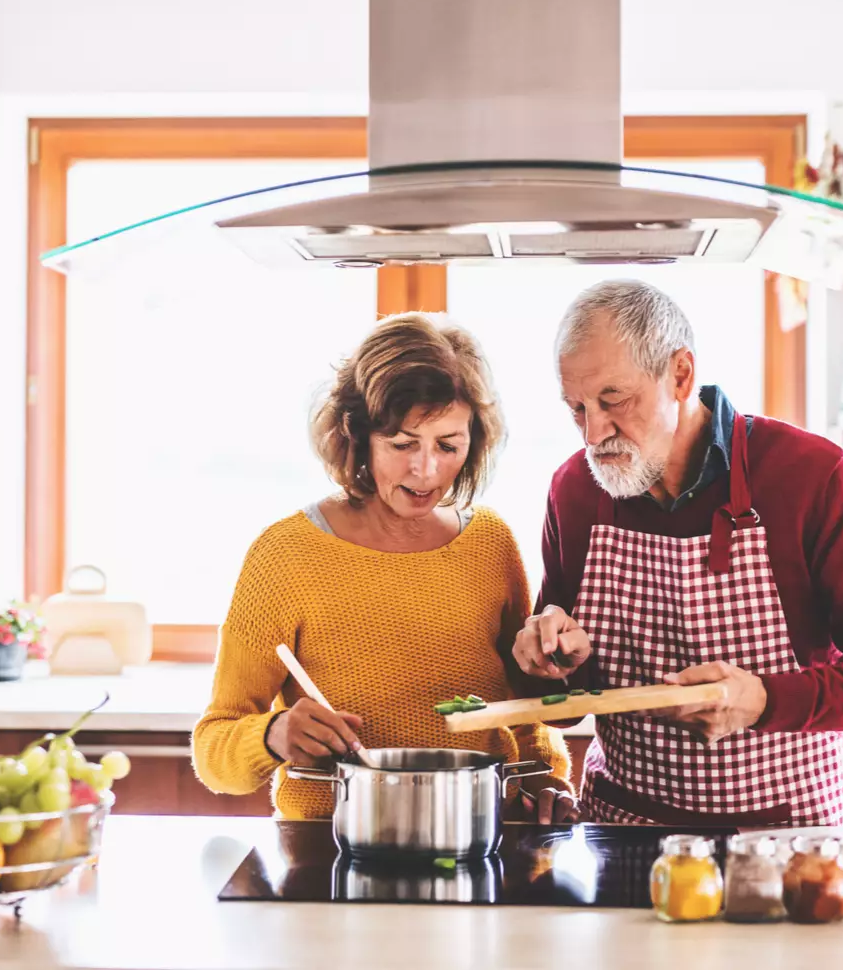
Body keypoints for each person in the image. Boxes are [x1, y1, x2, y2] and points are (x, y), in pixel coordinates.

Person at [513, 280, 843, 827]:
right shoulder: (575, 490)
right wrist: (554, 659)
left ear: (680, 374)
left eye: (613, 400)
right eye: (576, 408)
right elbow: (556, 693)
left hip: (786, 838)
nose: (594, 432)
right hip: (622, 831)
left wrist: (763, 699)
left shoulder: (808, 475)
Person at [194, 313, 578, 824]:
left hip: (479, 833)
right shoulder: (285, 555)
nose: (426, 470)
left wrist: (545, 780)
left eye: (448, 445)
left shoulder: (490, 542)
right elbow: (215, 750)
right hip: (332, 848)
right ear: (357, 435)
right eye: (401, 444)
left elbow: (524, 710)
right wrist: (272, 734)